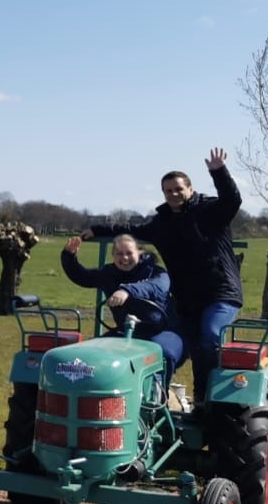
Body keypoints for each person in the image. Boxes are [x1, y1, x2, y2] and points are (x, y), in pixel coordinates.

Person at [91, 148, 243, 399]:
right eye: (168, 190)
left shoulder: (211, 211)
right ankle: (153, 401)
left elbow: (232, 200)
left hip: (220, 293)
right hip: (187, 299)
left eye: (178, 189)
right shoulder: (161, 224)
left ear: (190, 189)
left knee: (209, 338)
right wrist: (96, 230)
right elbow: (130, 228)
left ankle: (207, 403)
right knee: (167, 346)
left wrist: (219, 172)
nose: (173, 194)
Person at [61, 234, 185, 370]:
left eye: (129, 253)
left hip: (163, 331)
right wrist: (69, 256)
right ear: (113, 255)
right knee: (91, 354)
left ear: (140, 252)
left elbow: (155, 287)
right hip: (127, 331)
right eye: (119, 253)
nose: (124, 258)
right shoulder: (108, 273)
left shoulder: (158, 273)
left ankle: (161, 390)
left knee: (163, 354)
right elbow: (83, 277)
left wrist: (126, 291)